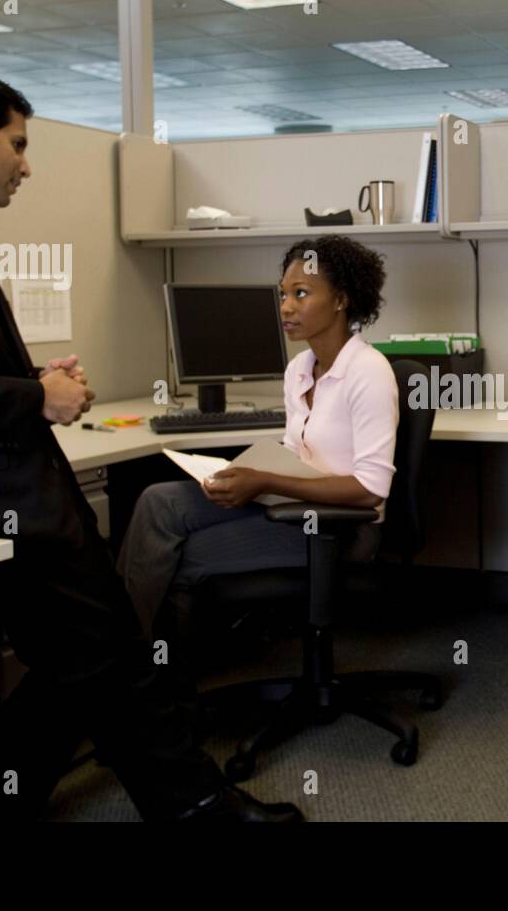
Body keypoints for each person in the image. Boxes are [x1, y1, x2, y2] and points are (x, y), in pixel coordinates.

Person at [0, 66, 300, 822]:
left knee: (82, 658)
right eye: (17, 144)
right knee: (106, 649)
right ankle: (198, 808)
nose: (26, 163)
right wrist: (34, 398)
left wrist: (34, 383)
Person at [117, 236, 397, 672]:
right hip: (290, 506)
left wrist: (265, 482)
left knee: (180, 555)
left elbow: (370, 490)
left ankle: (150, 683)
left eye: (301, 294)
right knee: (158, 500)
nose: (285, 306)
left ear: (341, 299)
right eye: (283, 294)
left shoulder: (369, 373)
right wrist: (245, 476)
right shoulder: (299, 369)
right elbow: (295, 453)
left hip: (338, 530)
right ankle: (123, 661)